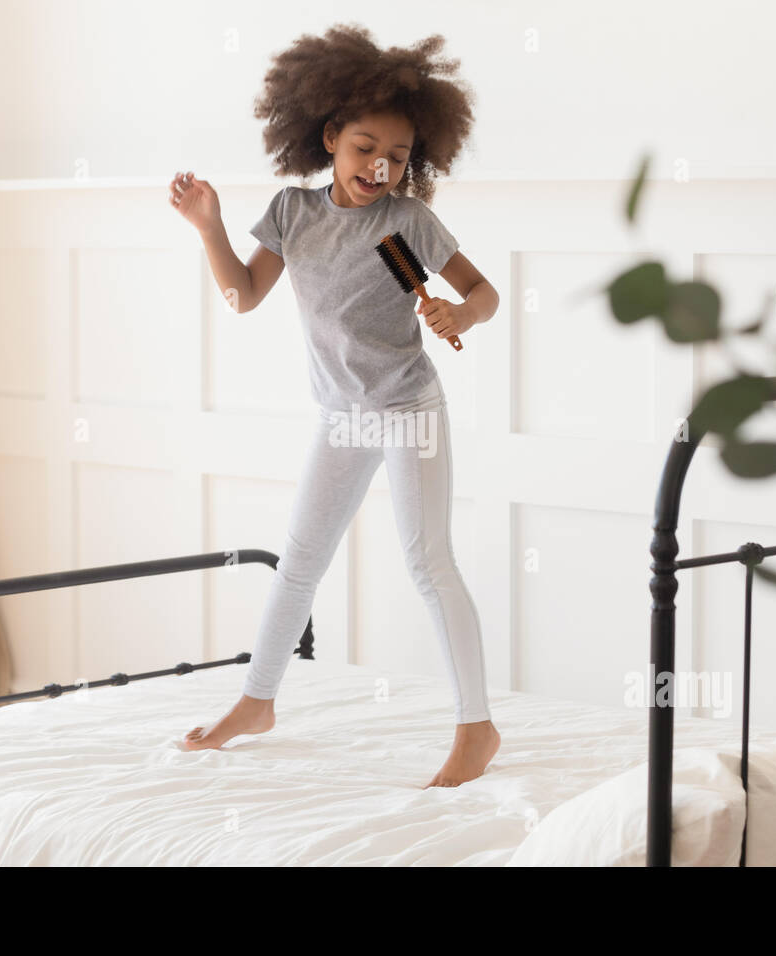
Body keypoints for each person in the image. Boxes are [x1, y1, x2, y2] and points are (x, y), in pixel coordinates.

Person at [169, 24, 500, 787]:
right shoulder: (293, 213)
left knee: (428, 562)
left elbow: (484, 291)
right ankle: (258, 701)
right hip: (341, 413)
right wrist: (210, 227)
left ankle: (476, 730)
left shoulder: (406, 225)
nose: (380, 167)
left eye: (397, 157)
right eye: (364, 148)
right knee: (299, 564)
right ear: (328, 138)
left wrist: (462, 314)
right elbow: (242, 296)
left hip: (407, 406)